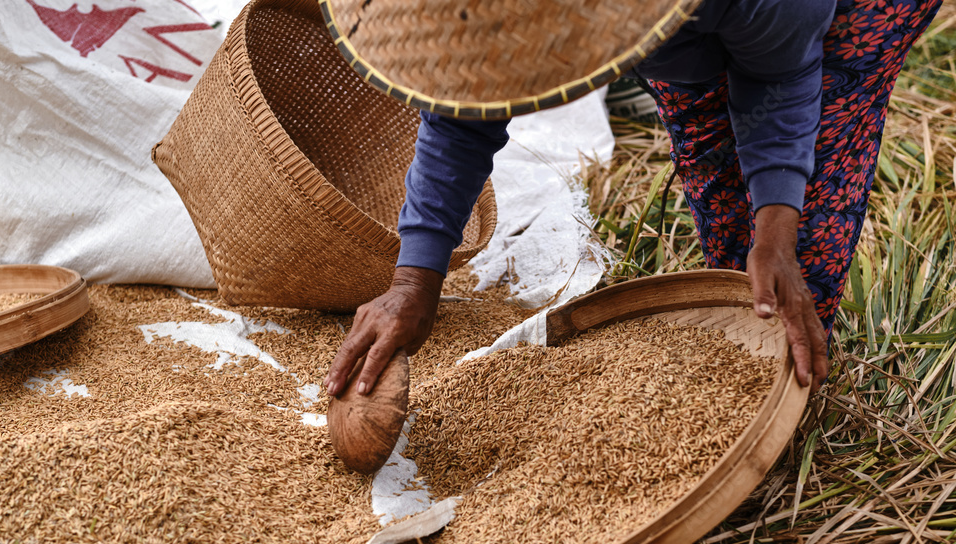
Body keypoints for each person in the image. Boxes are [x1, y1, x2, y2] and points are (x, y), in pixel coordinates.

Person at [323, 0, 943, 399]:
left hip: (832, 15)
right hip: (695, 27)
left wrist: (777, 233)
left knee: (794, 247)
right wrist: (415, 277)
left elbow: (781, 78)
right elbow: (462, 115)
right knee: (724, 204)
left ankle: (794, 420)